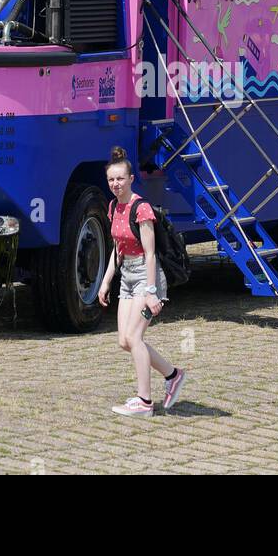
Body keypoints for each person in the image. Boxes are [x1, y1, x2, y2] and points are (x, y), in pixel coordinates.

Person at [98, 147, 188, 417]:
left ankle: (144, 402)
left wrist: (152, 292)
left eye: (120, 179)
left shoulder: (141, 208)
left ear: (131, 179)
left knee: (135, 337)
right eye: (111, 180)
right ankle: (173, 375)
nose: (116, 184)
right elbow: (118, 249)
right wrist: (105, 283)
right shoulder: (113, 207)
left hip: (147, 278)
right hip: (126, 278)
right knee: (125, 341)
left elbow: (150, 254)